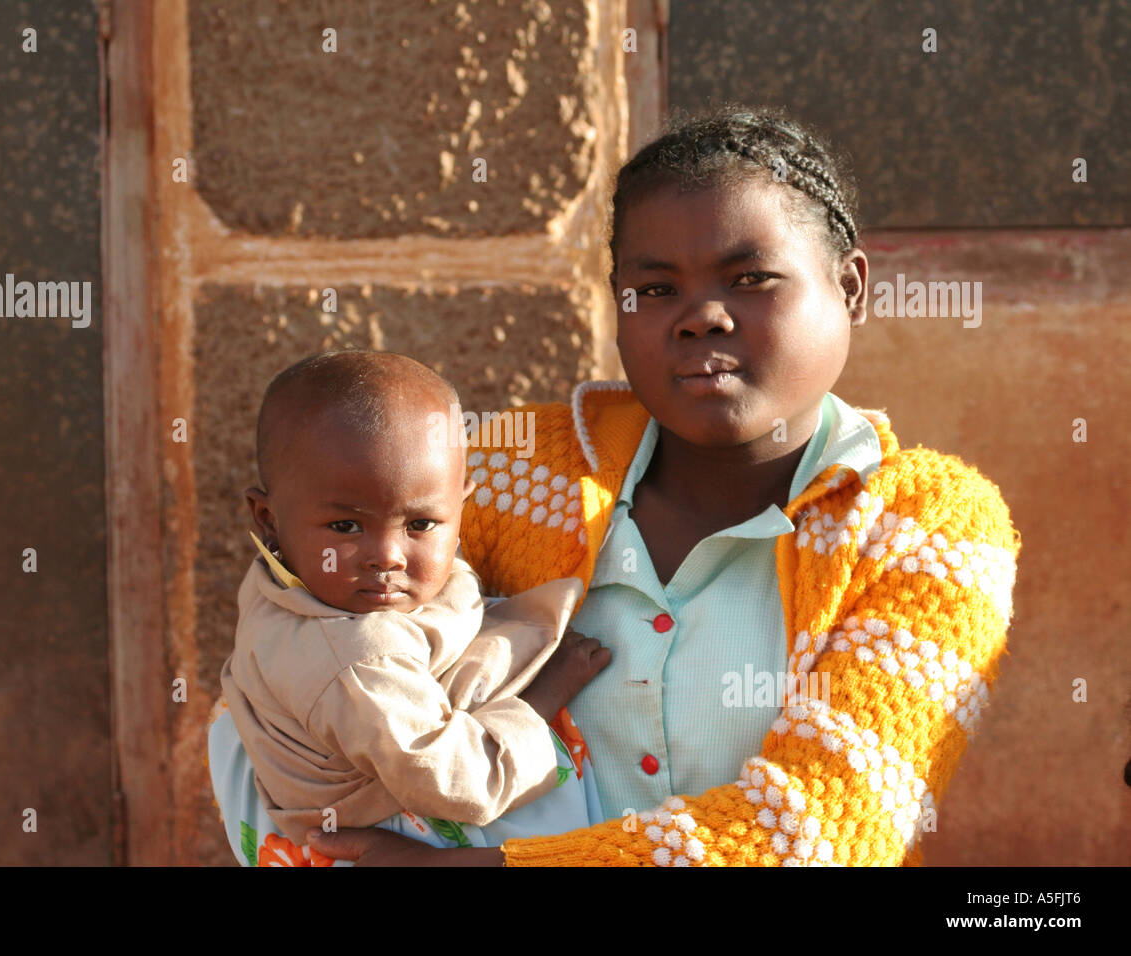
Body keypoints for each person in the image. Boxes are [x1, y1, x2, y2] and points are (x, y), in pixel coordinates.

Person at [212, 104, 1020, 866]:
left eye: (751, 279)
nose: (701, 316)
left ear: (850, 287)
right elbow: (306, 663)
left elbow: (826, 833)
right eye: (658, 288)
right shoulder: (504, 475)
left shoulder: (930, 531)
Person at [216, 350, 611, 865]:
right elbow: (459, 782)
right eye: (345, 527)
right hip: (412, 834)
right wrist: (545, 695)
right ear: (268, 520)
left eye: (421, 525)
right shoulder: (356, 656)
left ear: (461, 509)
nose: (388, 556)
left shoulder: (299, 584)